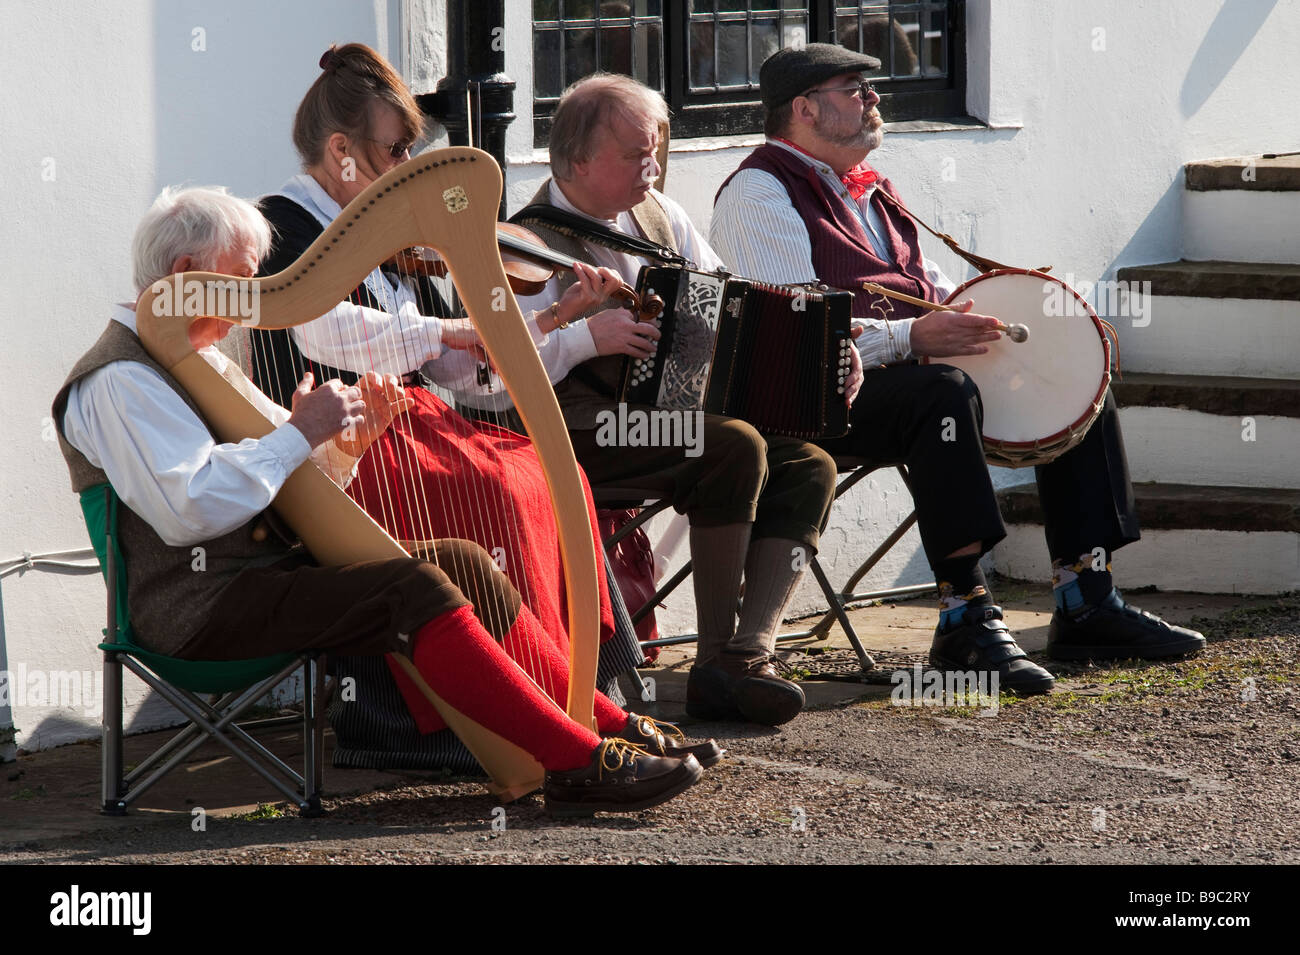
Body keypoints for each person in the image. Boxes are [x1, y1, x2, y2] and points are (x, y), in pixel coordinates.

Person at [52, 185, 718, 816]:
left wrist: (346, 446)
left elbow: (294, 484)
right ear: (185, 272)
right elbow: (190, 509)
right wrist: (299, 431)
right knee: (410, 590)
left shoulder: (201, 361)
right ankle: (578, 762)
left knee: (459, 559)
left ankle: (609, 724)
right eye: (242, 279)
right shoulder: (121, 380)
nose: (253, 299)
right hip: (199, 610)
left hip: (262, 578)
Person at [710, 43, 1206, 694]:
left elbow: (935, 289)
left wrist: (1008, 324)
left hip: (902, 381)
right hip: (809, 400)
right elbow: (793, 335)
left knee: (1077, 370)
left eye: (870, 86)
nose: (873, 97)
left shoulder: (875, 191)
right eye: (853, 87)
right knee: (938, 392)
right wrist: (913, 335)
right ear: (803, 108)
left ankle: (1086, 596)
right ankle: (964, 613)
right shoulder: (759, 190)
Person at [249, 45, 653, 748]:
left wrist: (552, 319)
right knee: (496, 486)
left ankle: (580, 689)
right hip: (342, 444)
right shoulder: (279, 224)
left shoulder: (395, 242)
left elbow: (460, 372)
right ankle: (484, 716)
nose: (407, 166)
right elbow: (321, 332)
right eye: (396, 149)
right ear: (341, 148)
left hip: (419, 425)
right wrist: (445, 328)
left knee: (546, 473)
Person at [502, 74, 840, 727]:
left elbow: (731, 306)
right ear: (577, 160)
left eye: (658, 148)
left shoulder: (663, 217)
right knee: (732, 447)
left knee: (807, 462)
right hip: (570, 432)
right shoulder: (522, 245)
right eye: (634, 153)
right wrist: (581, 338)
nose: (652, 165)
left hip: (668, 418)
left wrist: (821, 361)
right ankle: (714, 661)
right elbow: (493, 375)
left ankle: (750, 650)